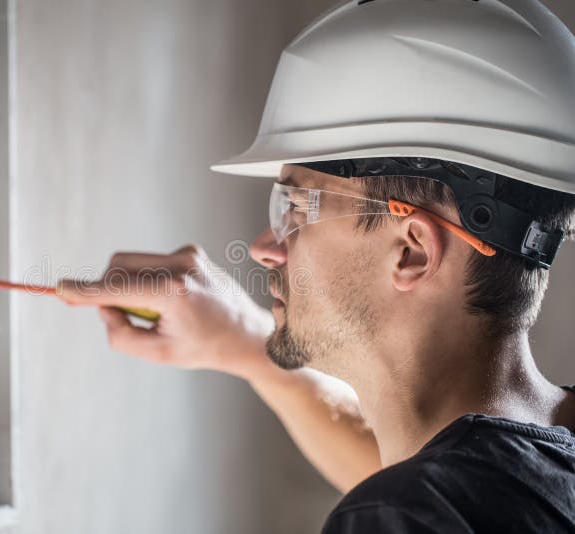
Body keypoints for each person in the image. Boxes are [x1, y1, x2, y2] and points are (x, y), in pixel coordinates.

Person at [60, 0, 575, 531]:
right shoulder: (512, 479)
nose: (265, 247)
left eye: (294, 208)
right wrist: (244, 342)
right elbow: (455, 481)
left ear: (412, 251)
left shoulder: (404, 515)